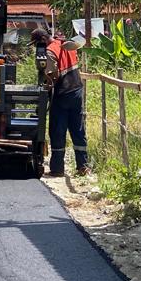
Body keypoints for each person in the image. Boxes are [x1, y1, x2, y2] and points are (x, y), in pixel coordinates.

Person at [33, 27, 89, 178]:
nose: (37, 48)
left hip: (62, 94)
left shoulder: (50, 52)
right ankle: (83, 166)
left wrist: (43, 78)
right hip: (77, 90)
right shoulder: (65, 44)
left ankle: (57, 169)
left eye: (37, 44)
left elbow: (52, 77)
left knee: (58, 130)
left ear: (43, 40)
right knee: (77, 128)